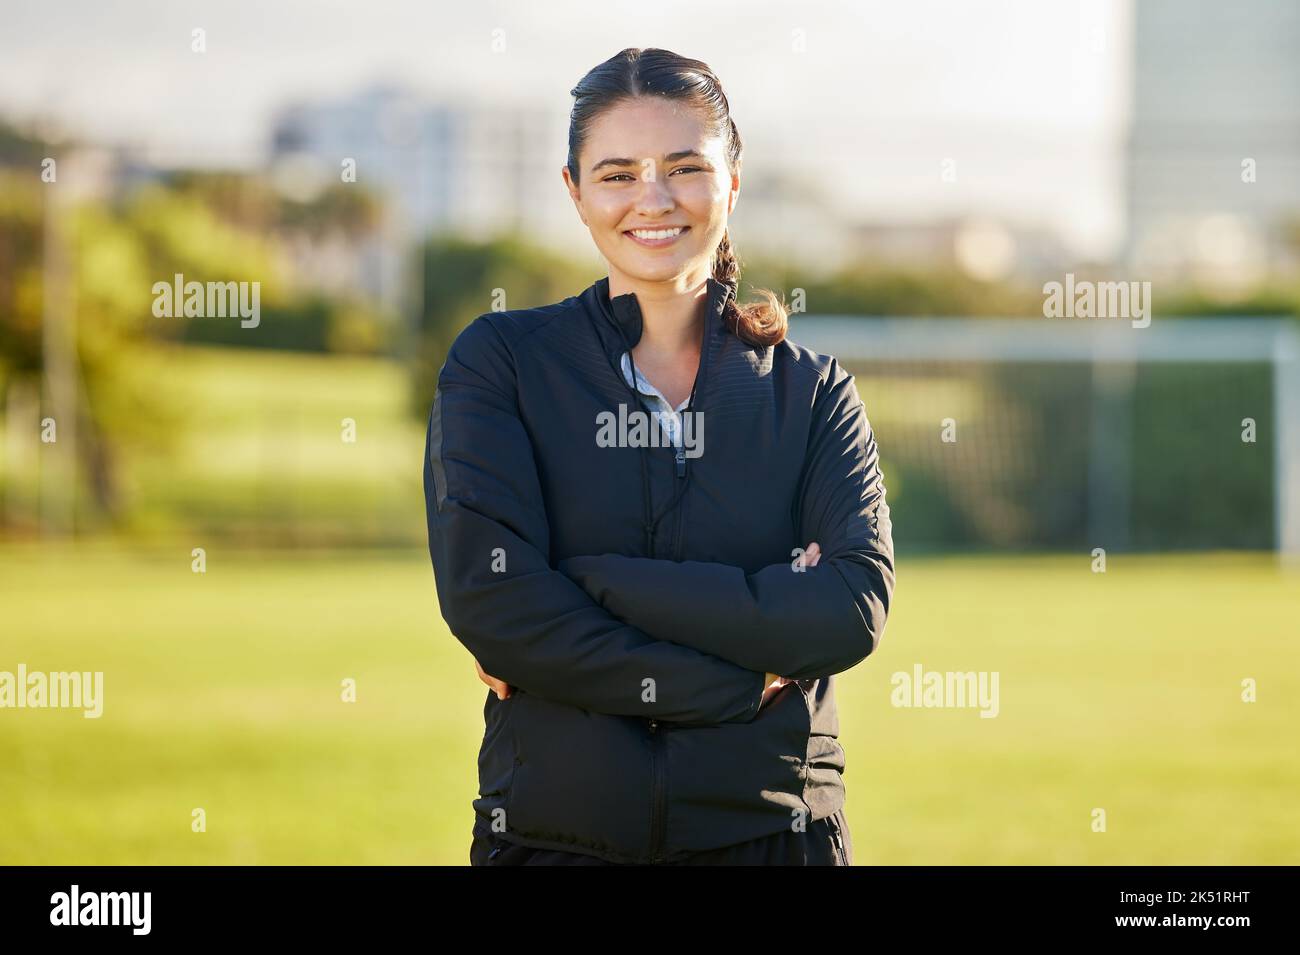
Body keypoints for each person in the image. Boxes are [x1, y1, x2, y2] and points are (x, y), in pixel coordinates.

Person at [423, 47, 895, 866]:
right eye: (616, 174)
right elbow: (494, 604)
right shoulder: (502, 362)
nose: (653, 198)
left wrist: (587, 580)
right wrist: (739, 679)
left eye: (684, 167)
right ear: (574, 191)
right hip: (550, 840)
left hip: (776, 838)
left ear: (733, 180)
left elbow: (848, 609)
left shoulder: (813, 393)